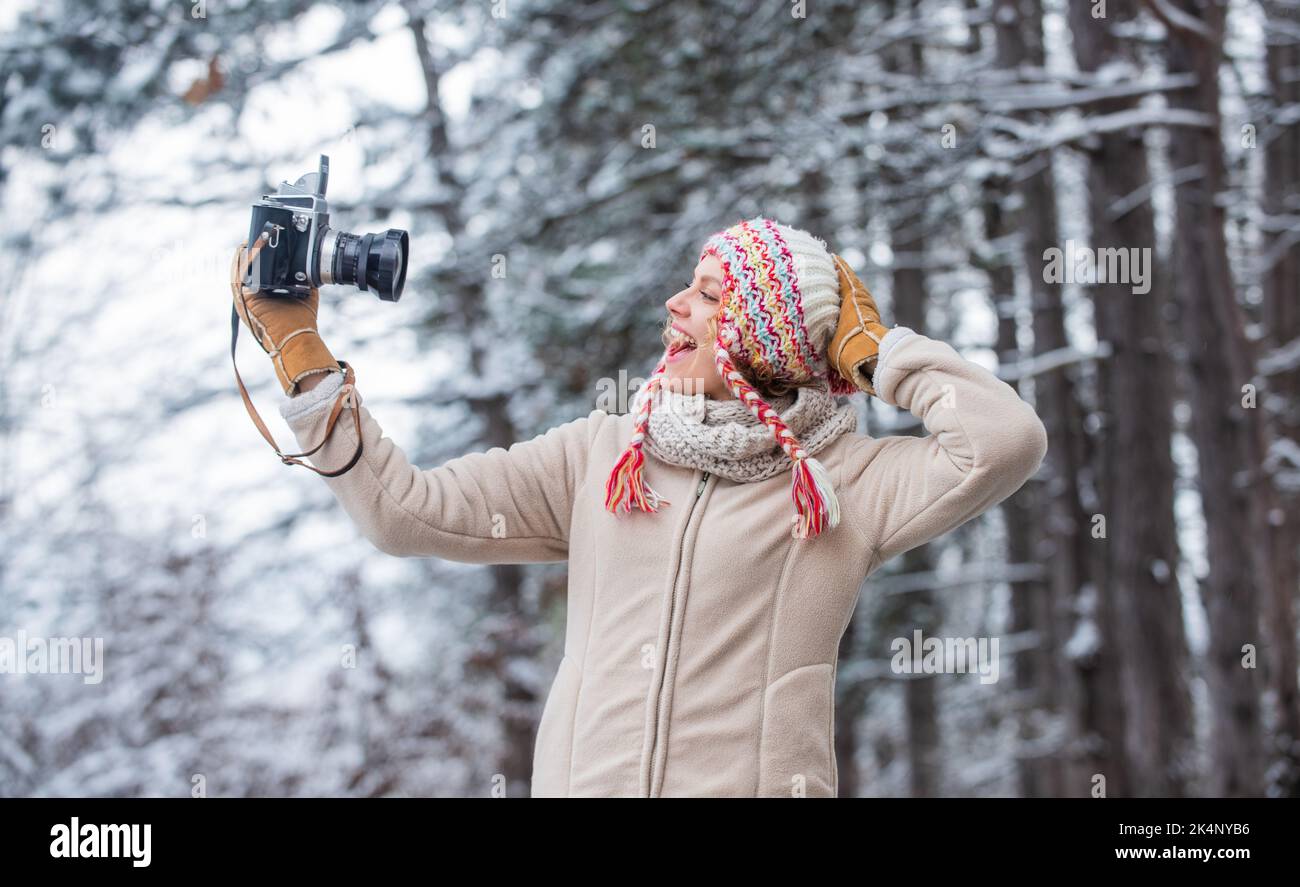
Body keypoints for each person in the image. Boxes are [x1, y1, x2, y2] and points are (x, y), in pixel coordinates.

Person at [232, 215, 1048, 797]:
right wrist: (304, 359)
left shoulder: (847, 481)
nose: (674, 306)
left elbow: (1002, 441)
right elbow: (403, 512)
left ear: (768, 338)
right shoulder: (602, 454)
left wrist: (878, 355)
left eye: (706, 294)